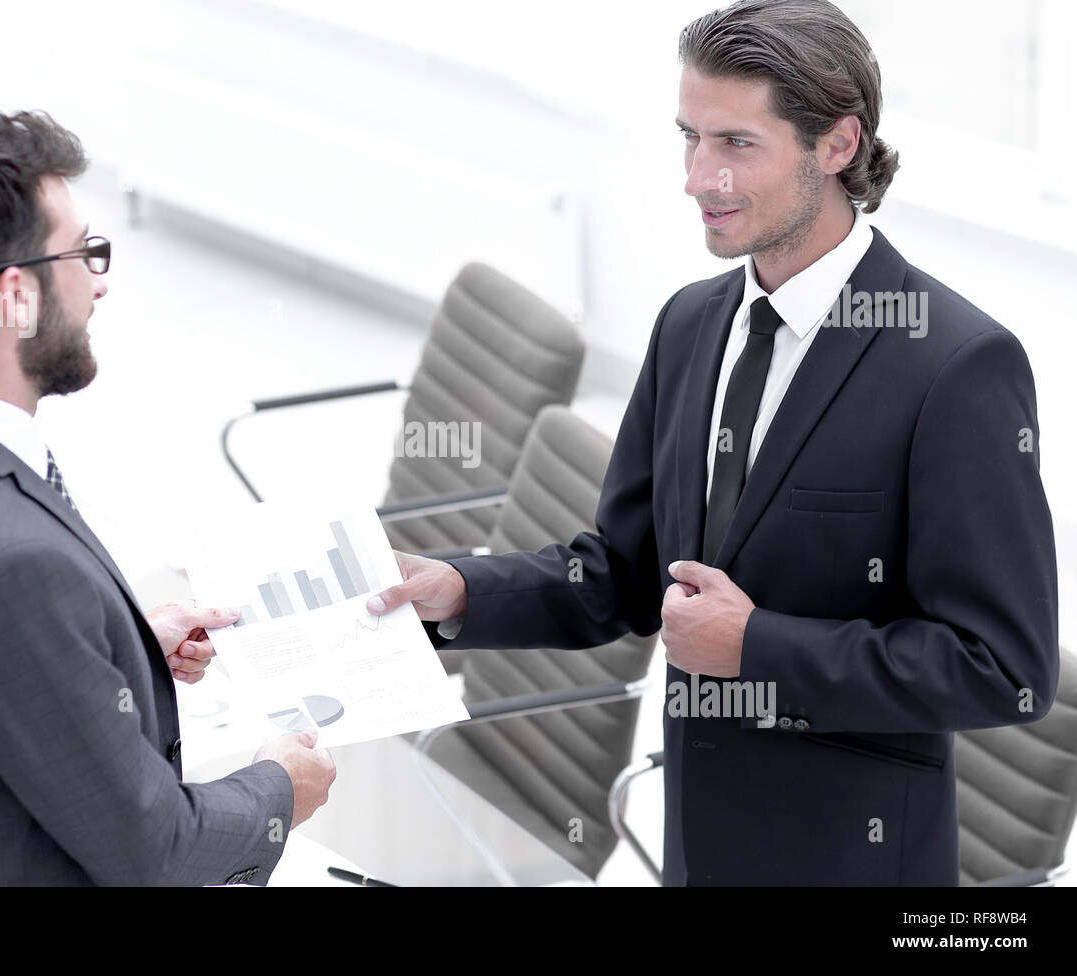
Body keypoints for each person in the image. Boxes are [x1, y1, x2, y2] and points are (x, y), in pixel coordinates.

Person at [367, 0, 1059, 885]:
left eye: (736, 145)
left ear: (837, 145)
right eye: (690, 138)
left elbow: (1002, 668)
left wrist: (757, 647)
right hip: (697, 845)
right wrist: (458, 587)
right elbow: (622, 573)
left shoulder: (956, 366)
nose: (698, 177)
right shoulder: (693, 324)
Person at [0, 104, 334, 885]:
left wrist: (113, 645)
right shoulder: (11, 569)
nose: (99, 287)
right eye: (84, 254)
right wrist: (281, 786)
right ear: (13, 296)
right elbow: (158, 849)